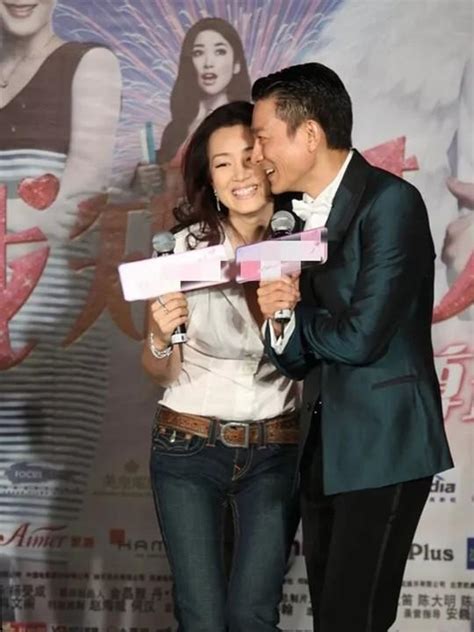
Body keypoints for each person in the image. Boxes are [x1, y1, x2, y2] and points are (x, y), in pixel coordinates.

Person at [251, 63, 454, 632]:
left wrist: (298, 316)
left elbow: (362, 337)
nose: (257, 155)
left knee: (353, 618)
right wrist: (278, 317)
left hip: (384, 444)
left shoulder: (391, 202)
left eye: (264, 138)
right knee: (332, 619)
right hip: (322, 448)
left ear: (309, 134)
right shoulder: (291, 220)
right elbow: (294, 359)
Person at [143, 101, 300, 632]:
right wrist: (161, 336)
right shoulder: (181, 250)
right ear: (208, 178)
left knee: (253, 615)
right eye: (222, 163)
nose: (241, 174)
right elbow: (160, 370)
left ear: (271, 161)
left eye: (250, 157)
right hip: (187, 445)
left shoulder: (306, 242)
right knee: (203, 617)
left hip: (276, 448)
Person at [133, 17, 251, 229]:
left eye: (219, 51)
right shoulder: (177, 128)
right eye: (198, 53)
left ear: (237, 64)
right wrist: (147, 178)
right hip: (171, 233)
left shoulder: (247, 123)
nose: (208, 63)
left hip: (225, 231)